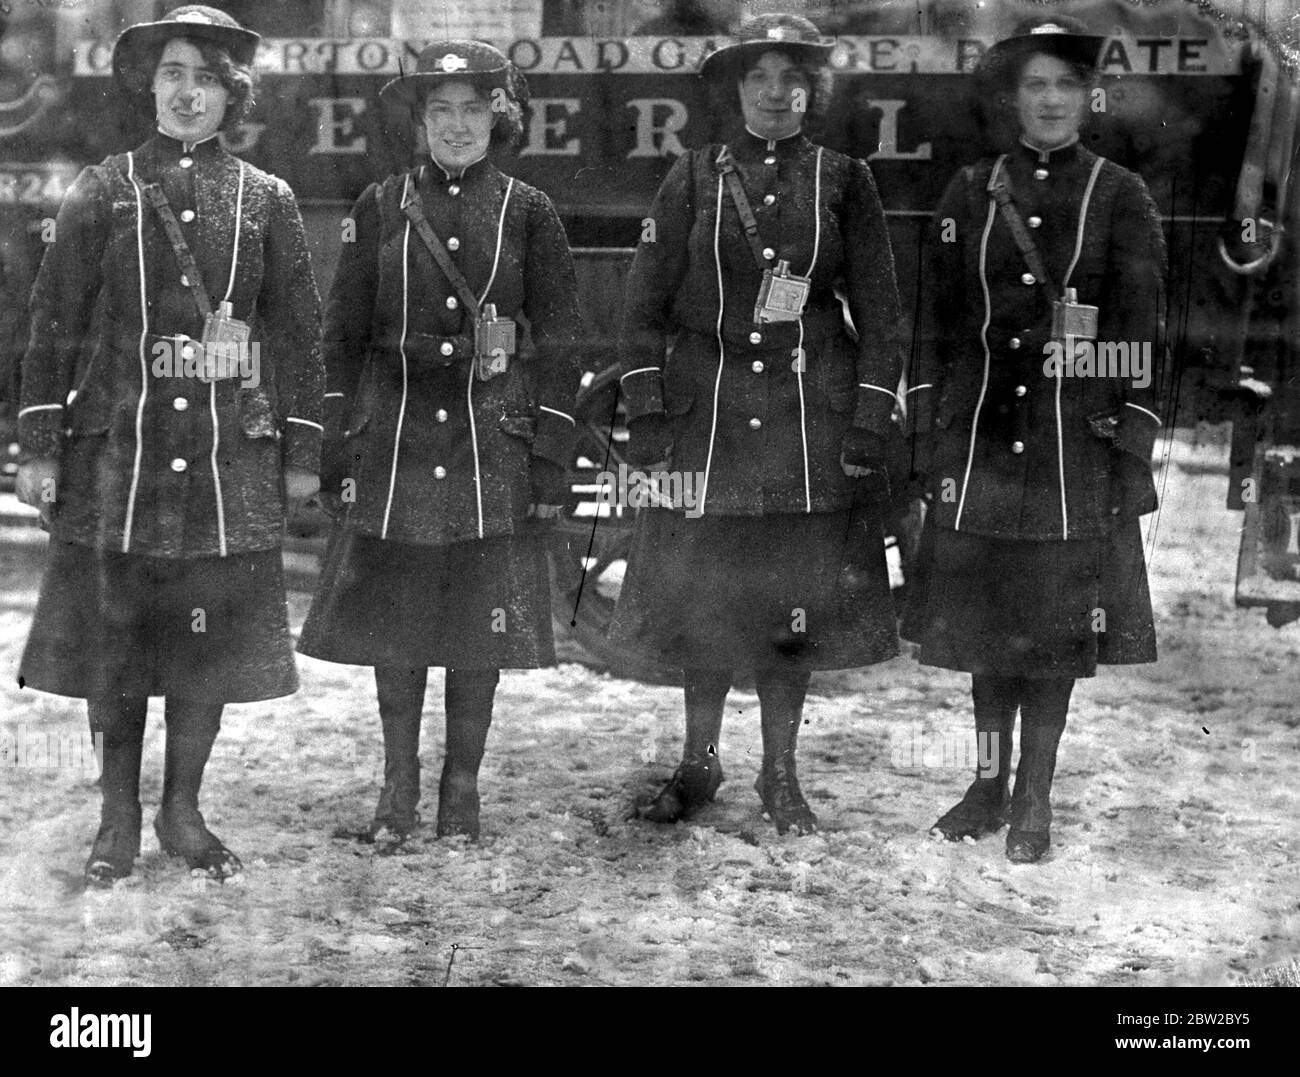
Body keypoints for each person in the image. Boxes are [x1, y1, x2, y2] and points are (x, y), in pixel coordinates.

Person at [15, 6, 323, 885]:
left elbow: (299, 334)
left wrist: (301, 450)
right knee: (117, 646)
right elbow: (54, 323)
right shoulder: (104, 189)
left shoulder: (268, 198)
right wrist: (40, 442)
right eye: (173, 76)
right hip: (121, 459)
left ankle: (182, 809)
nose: (189, 94)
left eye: (207, 79)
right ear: (149, 87)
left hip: (226, 468)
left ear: (234, 95)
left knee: (205, 643)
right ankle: (116, 816)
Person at [612, 13, 903, 836]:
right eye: (760, 78)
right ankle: (698, 766)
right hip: (706, 418)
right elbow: (642, 306)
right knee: (704, 604)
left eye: (793, 78)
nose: (777, 93)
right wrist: (649, 413)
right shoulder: (694, 176)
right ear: (735, 90)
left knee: (791, 610)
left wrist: (869, 418)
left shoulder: (845, 180)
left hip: (805, 424)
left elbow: (881, 315)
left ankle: (782, 776)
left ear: (815, 89)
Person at [297, 41, 583, 847]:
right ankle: (398, 788)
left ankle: (461, 791)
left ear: (501, 117)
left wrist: (551, 454)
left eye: (474, 108)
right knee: (399, 623)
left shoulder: (529, 211)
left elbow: (562, 342)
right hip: (393, 442)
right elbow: (341, 335)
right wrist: (334, 441)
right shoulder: (381, 205)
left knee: (476, 628)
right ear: (418, 123)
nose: (458, 126)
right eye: (441, 110)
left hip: (493, 446)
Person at [904, 18, 1167, 863]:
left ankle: (1034, 795)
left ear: (1090, 97)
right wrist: (927, 433)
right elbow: (937, 327)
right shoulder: (971, 191)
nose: (1051, 101)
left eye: (1066, 86)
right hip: (981, 441)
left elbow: (1139, 331)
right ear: (1014, 98)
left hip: (1070, 449)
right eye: (1035, 87)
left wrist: (1124, 434)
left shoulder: (1118, 193)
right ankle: (986, 782)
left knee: (1054, 630)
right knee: (986, 629)